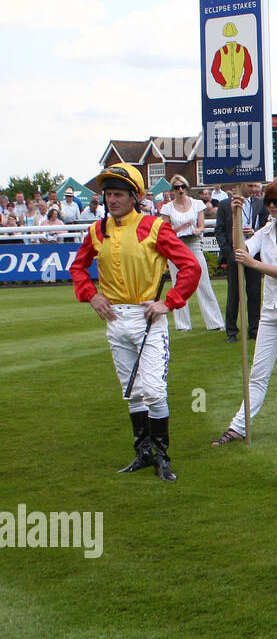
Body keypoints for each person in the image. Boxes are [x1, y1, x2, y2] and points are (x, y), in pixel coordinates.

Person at [71, 163, 200, 481]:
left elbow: (190, 267)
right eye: (108, 194)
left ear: (134, 197)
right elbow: (77, 268)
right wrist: (91, 295)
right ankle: (143, 453)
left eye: (118, 194)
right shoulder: (96, 231)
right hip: (115, 318)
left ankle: (162, 456)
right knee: (132, 393)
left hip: (148, 318)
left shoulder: (154, 227)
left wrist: (167, 303)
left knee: (154, 391)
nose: (111, 200)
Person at [211, 176, 277, 445]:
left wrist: (254, 265)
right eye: (268, 200)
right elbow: (241, 249)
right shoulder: (267, 230)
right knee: (257, 373)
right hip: (269, 309)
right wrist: (235, 216)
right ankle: (239, 427)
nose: (271, 206)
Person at [158, 175, 223, 332]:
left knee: (204, 283)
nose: (180, 190)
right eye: (176, 187)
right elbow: (165, 232)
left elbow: (201, 226)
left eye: (182, 187)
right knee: (178, 284)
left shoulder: (197, 204)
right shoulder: (167, 208)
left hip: (194, 244)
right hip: (176, 248)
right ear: (173, 190)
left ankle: (215, 322)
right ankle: (182, 325)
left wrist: (195, 230)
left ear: (186, 188)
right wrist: (181, 228)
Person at [214, 181, 267, 342]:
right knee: (234, 294)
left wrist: (255, 232)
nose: (253, 189)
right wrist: (228, 252)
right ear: (242, 185)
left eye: (255, 186)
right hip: (233, 254)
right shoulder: (225, 206)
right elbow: (219, 231)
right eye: (250, 186)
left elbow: (266, 227)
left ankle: (254, 329)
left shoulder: (260, 204)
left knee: (254, 293)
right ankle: (231, 332)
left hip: (253, 254)